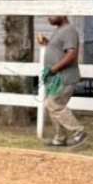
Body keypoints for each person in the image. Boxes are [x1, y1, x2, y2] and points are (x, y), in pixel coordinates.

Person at [36, 15, 86, 148]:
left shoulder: (69, 31)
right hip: (56, 78)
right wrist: (47, 43)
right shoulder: (60, 30)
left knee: (54, 103)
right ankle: (59, 138)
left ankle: (78, 131)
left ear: (62, 14)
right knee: (51, 104)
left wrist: (54, 68)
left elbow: (71, 53)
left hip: (65, 77)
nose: (49, 18)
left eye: (52, 15)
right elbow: (59, 50)